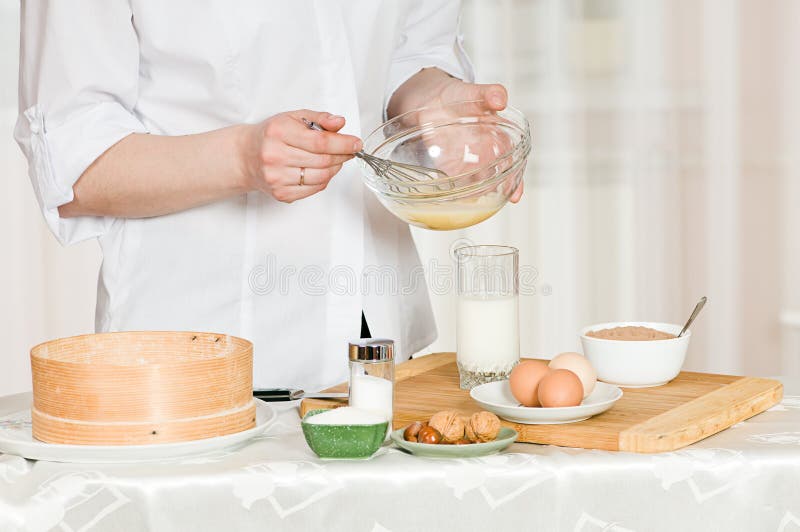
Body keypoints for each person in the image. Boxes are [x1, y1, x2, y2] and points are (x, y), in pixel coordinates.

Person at [15, 1, 521, 391]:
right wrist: (240, 158)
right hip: (194, 358)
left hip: (378, 341)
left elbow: (409, 52)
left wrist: (436, 106)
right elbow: (72, 165)